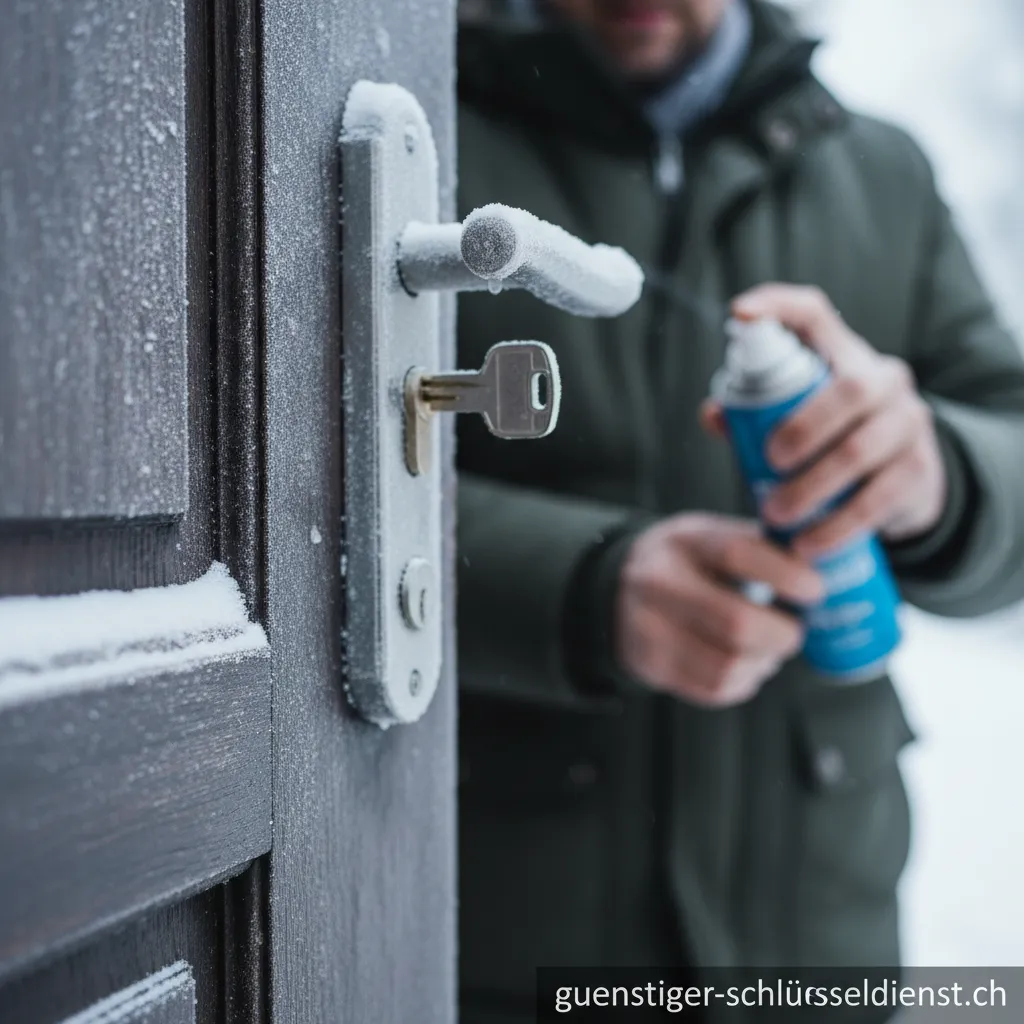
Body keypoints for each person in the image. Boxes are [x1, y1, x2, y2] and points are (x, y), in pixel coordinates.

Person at [454, 0, 1024, 1019]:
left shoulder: (881, 174)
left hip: (816, 951)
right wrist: (577, 587)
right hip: (513, 946)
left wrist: (939, 476)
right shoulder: (427, 141)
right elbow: (309, 493)